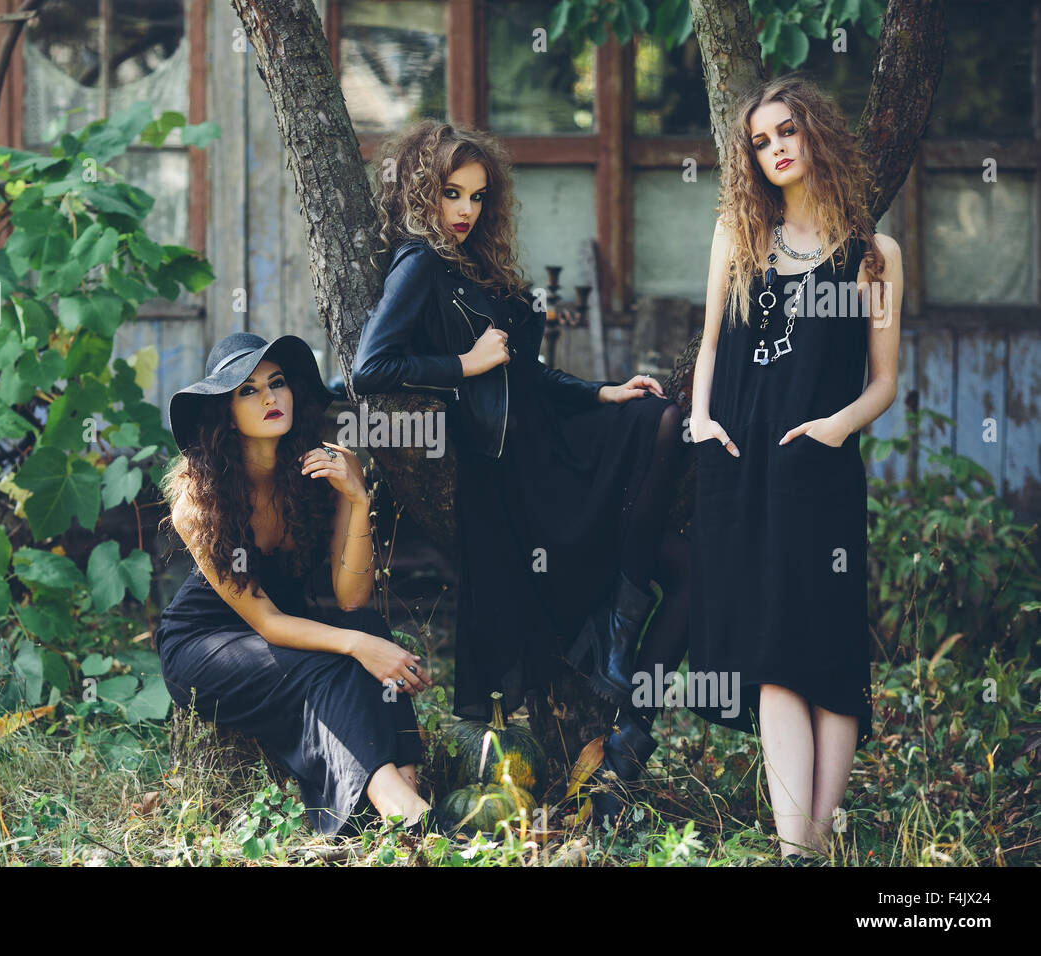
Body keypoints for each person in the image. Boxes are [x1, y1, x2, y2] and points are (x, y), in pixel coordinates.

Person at [351, 120, 692, 828]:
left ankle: (623, 634)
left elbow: (527, 376)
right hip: (510, 466)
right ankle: (620, 623)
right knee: (659, 441)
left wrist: (600, 392)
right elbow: (371, 366)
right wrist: (463, 366)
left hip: (548, 430)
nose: (466, 210)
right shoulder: (420, 264)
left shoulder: (477, 263)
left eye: (477, 195)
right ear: (422, 190)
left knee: (660, 418)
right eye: (451, 193)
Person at [688, 75, 902, 862]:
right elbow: (709, 345)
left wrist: (835, 430)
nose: (775, 148)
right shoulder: (737, 239)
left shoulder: (874, 257)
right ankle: (797, 849)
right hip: (743, 468)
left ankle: (814, 838)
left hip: (821, 472)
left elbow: (883, 380)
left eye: (787, 132)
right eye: (761, 140)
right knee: (773, 651)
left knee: (832, 652)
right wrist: (701, 422)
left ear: (815, 135)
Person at [154, 331, 431, 837]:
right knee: (342, 661)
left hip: (282, 633)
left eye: (276, 383)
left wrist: (357, 499)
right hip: (207, 643)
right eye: (247, 389)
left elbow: (352, 599)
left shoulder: (322, 467)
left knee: (366, 627)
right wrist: (360, 647)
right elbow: (268, 622)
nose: (268, 398)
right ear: (223, 411)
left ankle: (404, 792)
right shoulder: (198, 497)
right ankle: (406, 813)